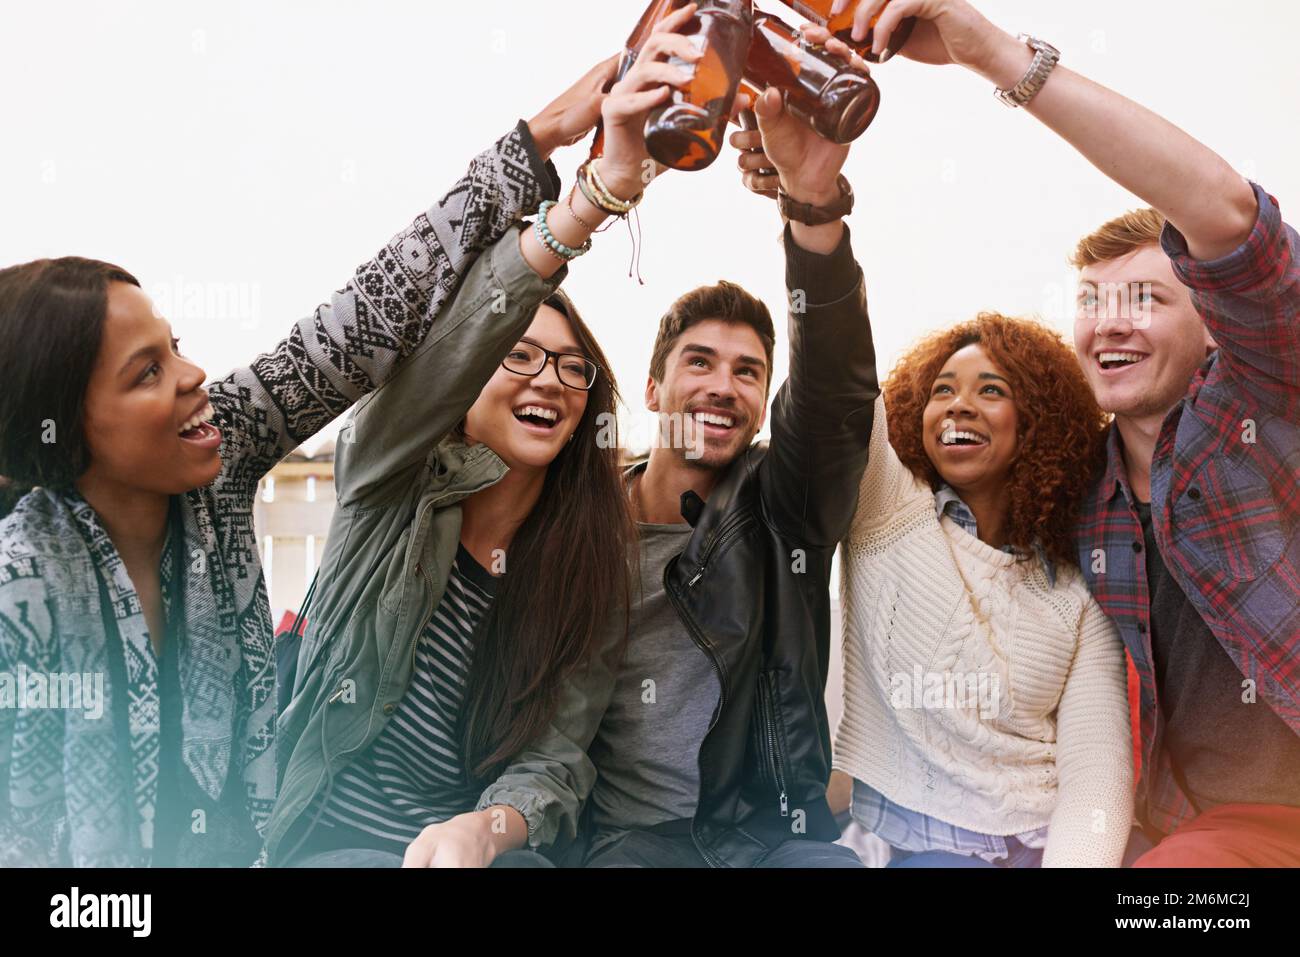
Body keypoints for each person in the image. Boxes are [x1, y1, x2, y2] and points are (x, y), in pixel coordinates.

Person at [0, 44, 618, 867]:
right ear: (66, 427)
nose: (193, 377)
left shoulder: (226, 455)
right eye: (147, 371)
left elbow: (371, 309)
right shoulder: (22, 592)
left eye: (176, 346)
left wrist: (547, 151)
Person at [846, 0, 1300, 866]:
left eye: (1145, 298)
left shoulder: (1265, 401)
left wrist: (997, 56)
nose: (1109, 324)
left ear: (1215, 322)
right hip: (1172, 830)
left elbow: (1233, 218)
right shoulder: (1073, 487)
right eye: (1090, 302)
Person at [264, 5, 702, 869]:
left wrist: (488, 827)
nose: (547, 379)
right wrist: (591, 201)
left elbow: (555, 756)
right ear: (467, 387)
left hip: (477, 851)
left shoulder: (587, 559)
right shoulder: (389, 485)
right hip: (331, 839)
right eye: (519, 357)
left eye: (571, 368)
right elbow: (446, 349)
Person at [577, 27, 878, 869]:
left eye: (748, 371)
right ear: (652, 388)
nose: (722, 385)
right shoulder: (579, 519)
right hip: (625, 842)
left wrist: (812, 209)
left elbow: (833, 398)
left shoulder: (780, 505)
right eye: (699, 362)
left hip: (765, 835)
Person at [830, 313, 1132, 867]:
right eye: (942, 390)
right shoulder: (888, 508)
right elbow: (840, 375)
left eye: (990, 390)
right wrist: (821, 247)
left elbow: (1096, 775)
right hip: (930, 853)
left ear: (1035, 422)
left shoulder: (1075, 586)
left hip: (1049, 844)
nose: (958, 405)